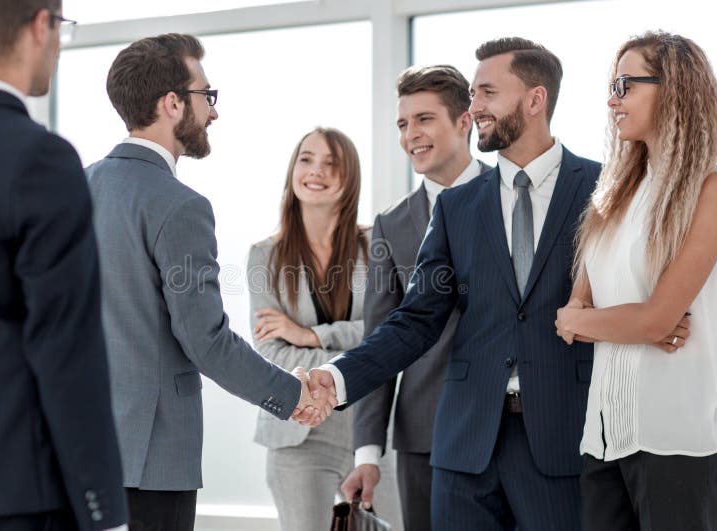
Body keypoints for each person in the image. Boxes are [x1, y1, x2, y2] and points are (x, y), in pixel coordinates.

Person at [308, 37, 603, 531]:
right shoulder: (457, 208)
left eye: (486, 92)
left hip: (563, 440)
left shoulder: (601, 191)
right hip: (463, 449)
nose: (475, 106)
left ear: (536, 99)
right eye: (472, 94)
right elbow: (412, 322)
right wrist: (337, 377)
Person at [85, 33, 330, 531]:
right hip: (153, 462)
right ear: (173, 104)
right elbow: (206, 340)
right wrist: (292, 394)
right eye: (206, 96)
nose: (213, 112)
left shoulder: (72, 188)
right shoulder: (180, 206)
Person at [0, 1, 129, 530]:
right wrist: (106, 511)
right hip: (26, 484)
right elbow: (67, 347)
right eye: (61, 29)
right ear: (41, 24)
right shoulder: (44, 159)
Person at [555, 31, 717, 531]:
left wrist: (617, 323)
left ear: (674, 89)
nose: (612, 100)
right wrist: (615, 322)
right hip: (603, 437)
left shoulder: (709, 185)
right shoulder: (614, 192)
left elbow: (653, 319)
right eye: (611, 85)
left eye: (625, 85)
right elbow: (570, 314)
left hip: (677, 440)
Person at [341, 64, 489, 531]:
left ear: (464, 121)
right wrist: (367, 453)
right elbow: (381, 336)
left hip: (510, 425)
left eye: (424, 119)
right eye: (403, 124)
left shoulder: (514, 199)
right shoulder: (392, 223)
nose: (411, 135)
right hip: (424, 432)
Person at [248, 126, 400, 531]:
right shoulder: (265, 256)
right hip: (299, 432)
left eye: (331, 163)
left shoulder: (377, 246)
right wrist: (354, 360)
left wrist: (313, 336)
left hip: (372, 429)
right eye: (307, 159)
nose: (316, 171)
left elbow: (391, 331)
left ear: (349, 178)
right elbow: (273, 352)